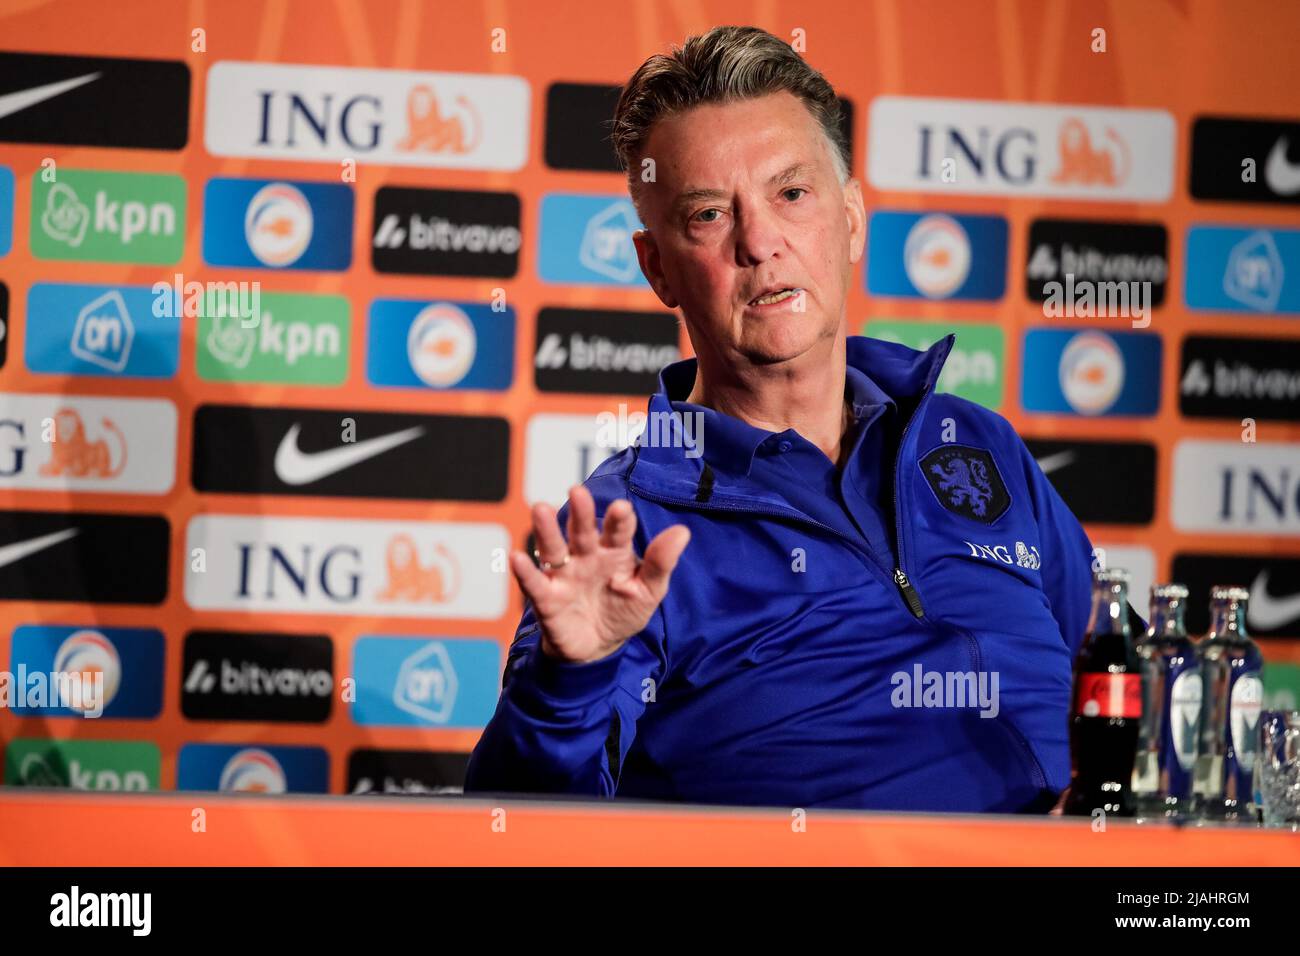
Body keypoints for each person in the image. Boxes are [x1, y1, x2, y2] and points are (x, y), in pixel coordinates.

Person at [465, 25, 1094, 812]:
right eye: (707, 216)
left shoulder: (971, 444)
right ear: (657, 267)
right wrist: (567, 685)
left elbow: (1112, 667)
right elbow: (515, 827)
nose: (760, 242)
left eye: (790, 194)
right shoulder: (632, 529)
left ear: (852, 218)